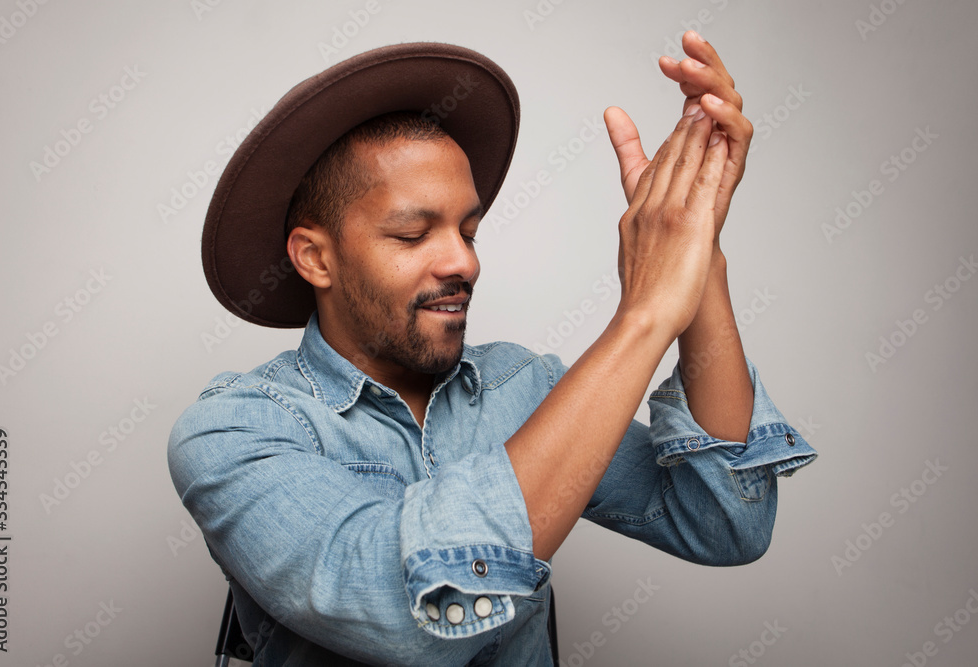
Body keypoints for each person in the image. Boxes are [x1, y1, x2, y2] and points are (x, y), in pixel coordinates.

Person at [169, 36, 816, 666]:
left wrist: (696, 252)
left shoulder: (526, 387)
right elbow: (405, 619)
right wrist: (644, 315)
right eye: (414, 233)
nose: (463, 260)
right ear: (316, 257)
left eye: (468, 229)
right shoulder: (236, 431)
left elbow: (726, 520)